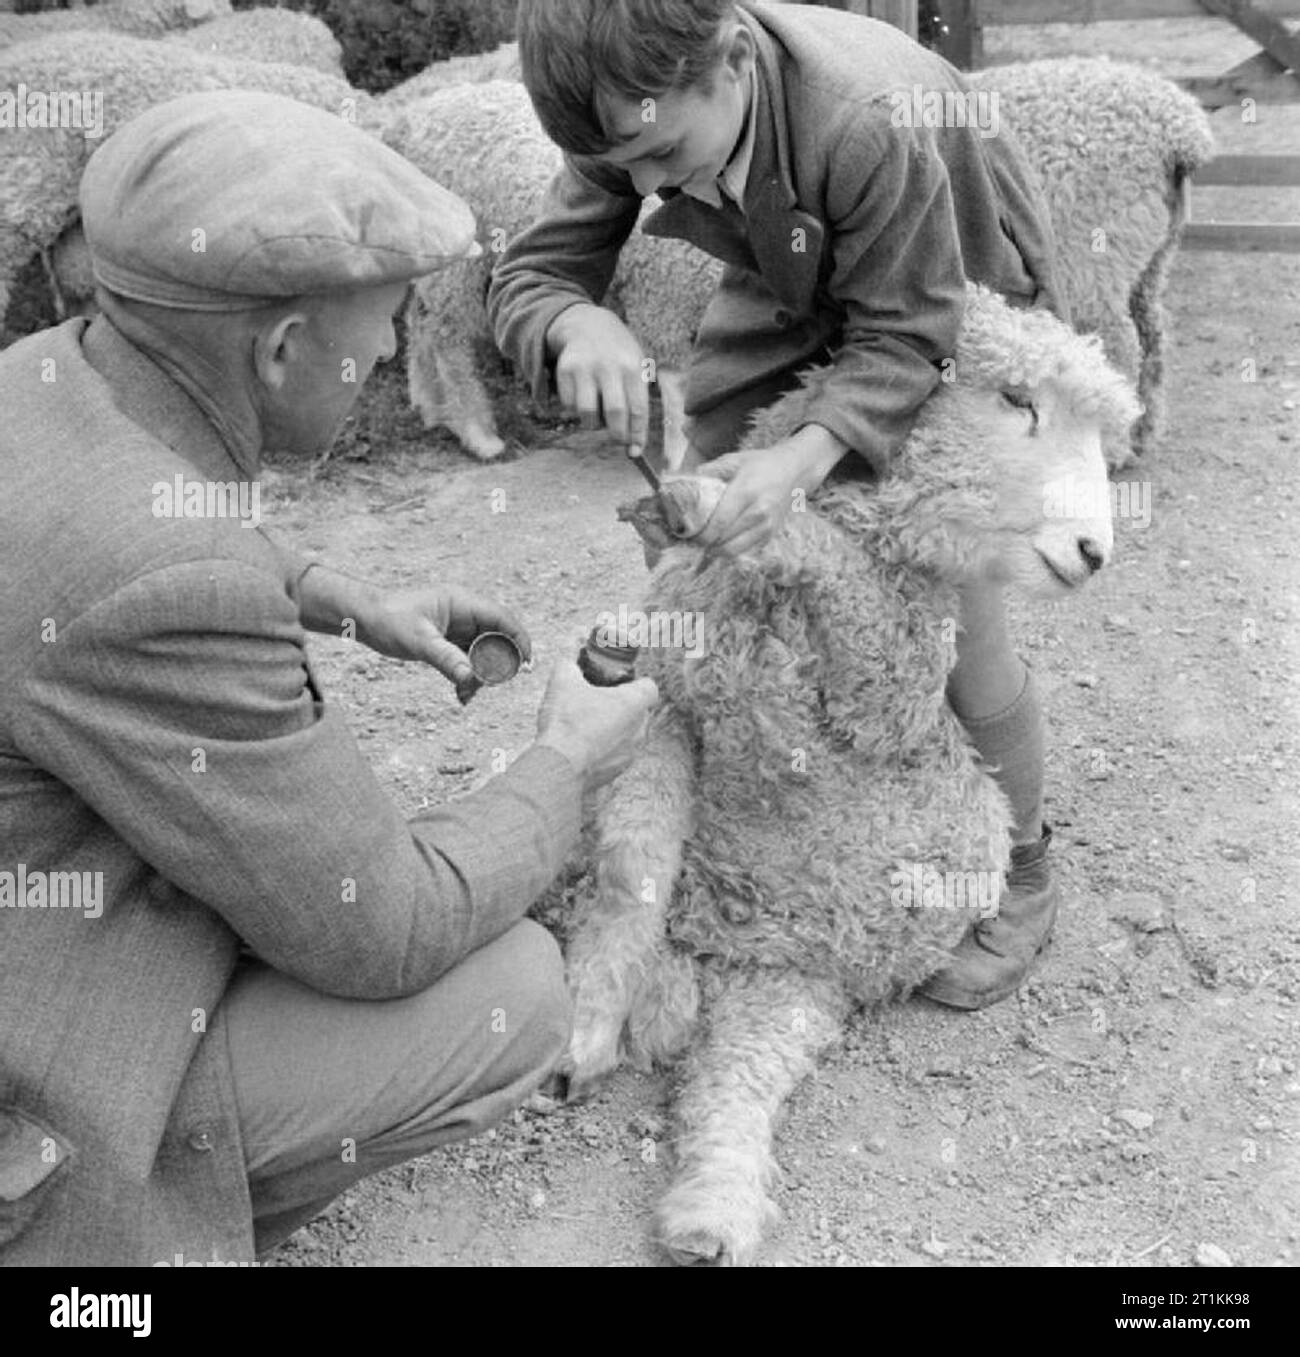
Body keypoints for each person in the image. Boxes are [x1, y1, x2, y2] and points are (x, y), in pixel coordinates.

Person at [0, 89, 658, 1266]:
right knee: (511, 990)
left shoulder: (45, 377)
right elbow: (384, 929)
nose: (399, 349)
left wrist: (326, 591)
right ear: (285, 348)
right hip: (39, 1044)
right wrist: (565, 759)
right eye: (391, 319)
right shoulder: (168, 582)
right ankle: (127, 1247)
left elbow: (114, 522)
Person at [488, 0, 1069, 1012]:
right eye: (619, 169)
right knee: (702, 540)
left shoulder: (861, 120)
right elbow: (533, 271)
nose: (642, 190)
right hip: (793, 266)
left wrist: (798, 463)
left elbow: (907, 336)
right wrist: (573, 319)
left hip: (954, 294)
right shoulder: (624, 103)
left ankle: (1015, 871)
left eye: (662, 155)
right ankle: (757, 807)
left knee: (943, 590)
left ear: (737, 60)